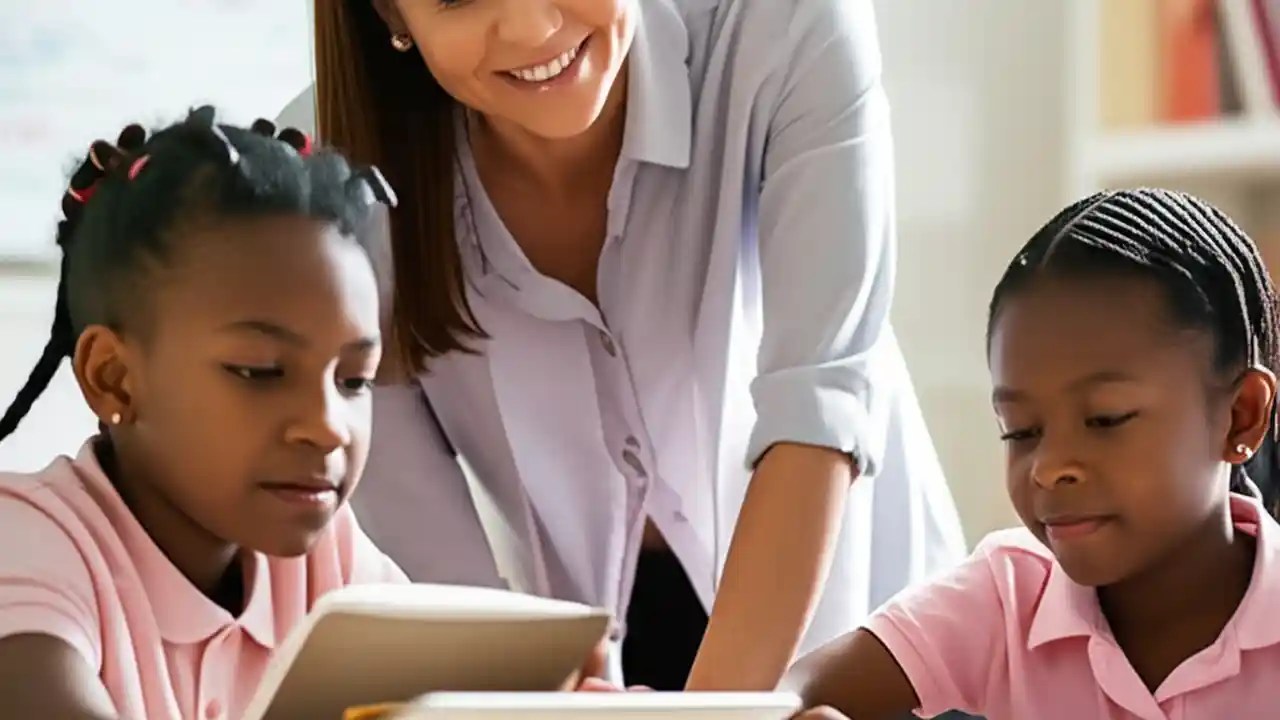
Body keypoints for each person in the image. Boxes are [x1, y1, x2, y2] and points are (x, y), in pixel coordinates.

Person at [282, 0, 967, 690]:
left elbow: (817, 409)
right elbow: (434, 572)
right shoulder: (324, 178)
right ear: (389, 13)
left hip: (857, 630)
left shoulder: (781, 24)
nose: (532, 27)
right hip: (585, 660)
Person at [781, 189, 1280, 719]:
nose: (1048, 467)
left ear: (1241, 416)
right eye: (1021, 431)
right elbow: (790, 697)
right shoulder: (1008, 594)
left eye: (1105, 419)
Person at [0, 109, 408, 719]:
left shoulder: (333, 565)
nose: (327, 427)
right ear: (114, 379)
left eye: (354, 380)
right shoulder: (25, 541)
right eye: (261, 370)